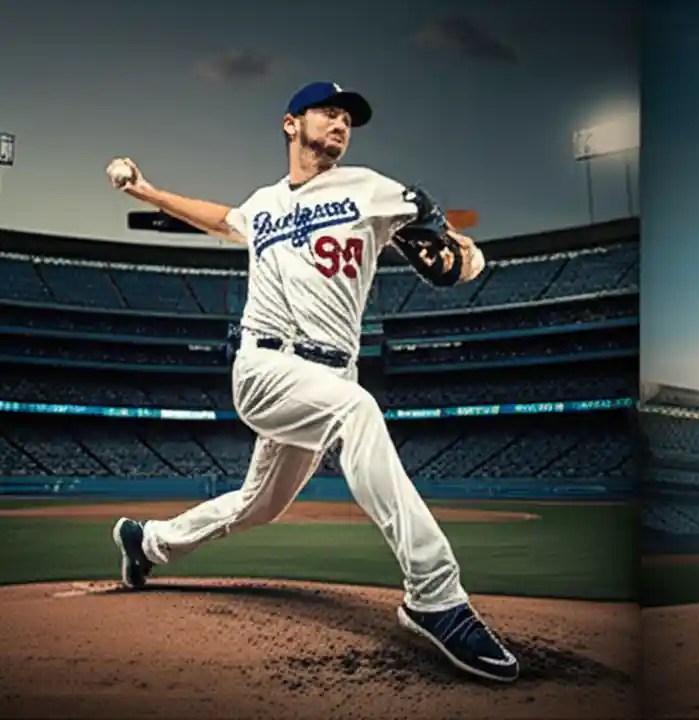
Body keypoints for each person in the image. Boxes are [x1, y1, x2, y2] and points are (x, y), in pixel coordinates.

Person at [104, 81, 519, 683]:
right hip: (264, 367)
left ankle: (148, 544)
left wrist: (463, 257)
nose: (341, 123)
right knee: (356, 413)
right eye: (329, 112)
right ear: (290, 124)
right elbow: (222, 220)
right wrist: (145, 191)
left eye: (348, 117)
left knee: (259, 505)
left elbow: (455, 247)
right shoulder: (263, 203)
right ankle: (435, 593)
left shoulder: (371, 189)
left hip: (327, 374)